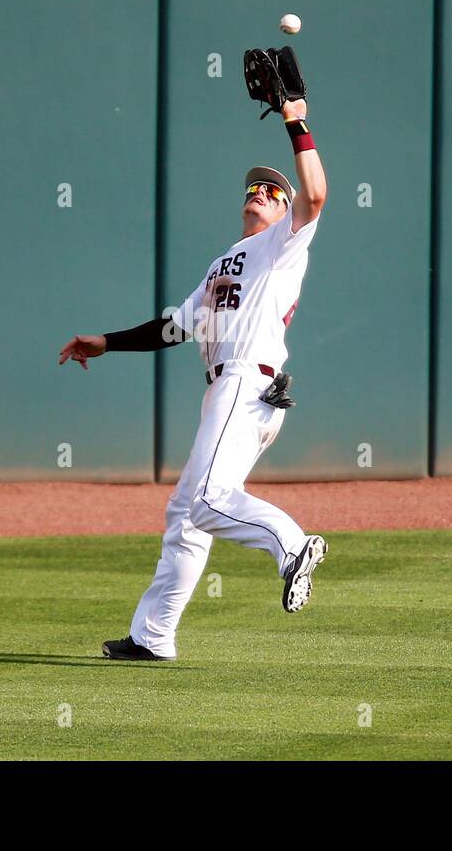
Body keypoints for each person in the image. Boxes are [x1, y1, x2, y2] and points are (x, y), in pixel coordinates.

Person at [59, 98, 328, 661]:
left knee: (206, 502)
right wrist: (106, 343)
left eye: (273, 192)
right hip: (227, 392)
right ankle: (153, 637)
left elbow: (318, 194)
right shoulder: (225, 262)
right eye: (253, 188)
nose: (260, 193)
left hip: (246, 384)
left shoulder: (282, 247)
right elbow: (175, 328)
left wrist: (295, 120)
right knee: (186, 515)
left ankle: (293, 545)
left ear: (286, 212)